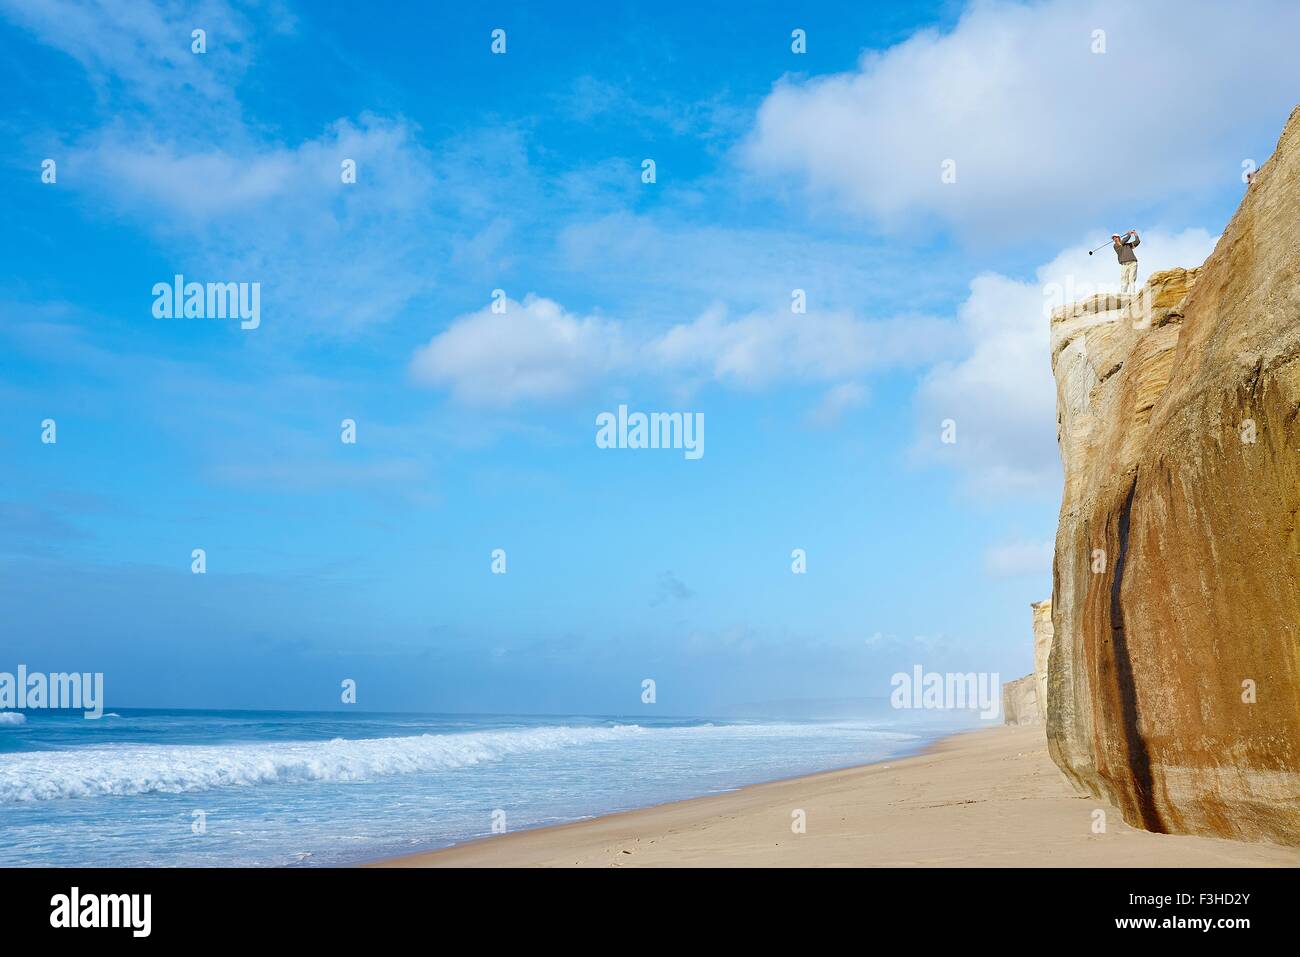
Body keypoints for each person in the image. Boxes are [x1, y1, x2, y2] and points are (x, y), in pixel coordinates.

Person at [1113, 229, 1140, 295]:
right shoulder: (1116, 246)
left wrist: (1135, 234)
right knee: (1124, 281)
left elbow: (1137, 241)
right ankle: (1123, 295)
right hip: (1124, 265)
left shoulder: (1128, 245)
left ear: (1119, 238)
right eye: (1113, 238)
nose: (1114, 239)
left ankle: (1132, 294)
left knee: (1131, 279)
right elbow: (1124, 240)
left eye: (1116, 237)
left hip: (1133, 263)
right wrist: (1129, 234)